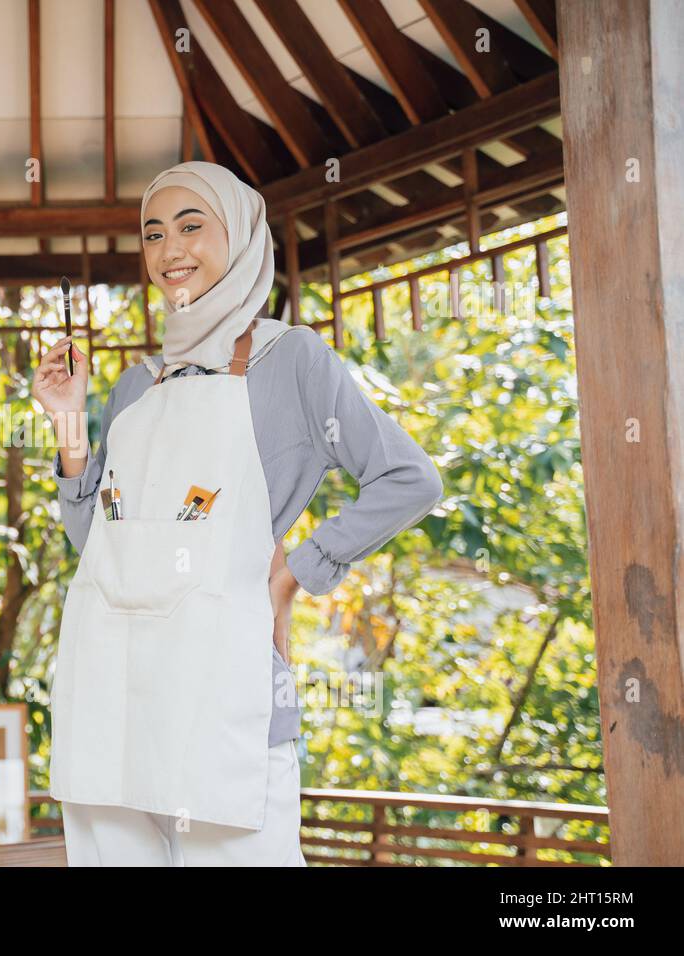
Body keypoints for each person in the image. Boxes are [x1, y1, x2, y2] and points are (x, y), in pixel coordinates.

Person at [32, 160, 442, 866]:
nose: (170, 250)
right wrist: (69, 424)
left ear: (244, 237)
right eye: (154, 233)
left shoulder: (292, 361)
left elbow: (409, 478)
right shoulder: (136, 385)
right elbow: (91, 542)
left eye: (193, 226)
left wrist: (295, 573)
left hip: (225, 700)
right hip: (110, 696)